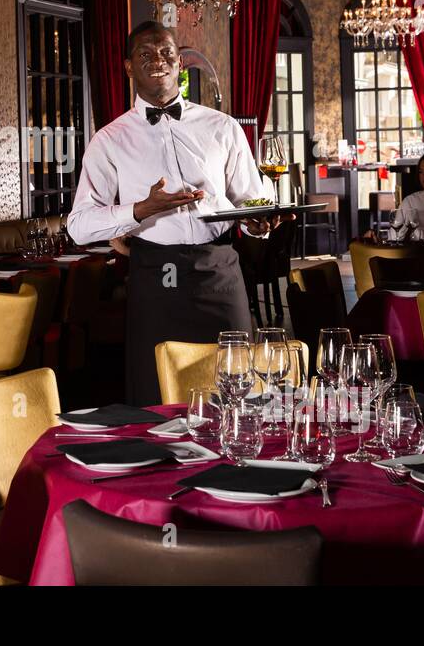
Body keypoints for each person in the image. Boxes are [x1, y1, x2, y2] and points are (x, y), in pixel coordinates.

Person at [67, 20, 273, 406]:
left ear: (180, 62)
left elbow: (251, 199)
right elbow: (79, 225)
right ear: (129, 67)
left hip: (220, 272)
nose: (157, 61)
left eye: (166, 53)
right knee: (157, 395)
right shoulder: (109, 140)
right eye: (144, 54)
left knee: (238, 388)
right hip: (155, 278)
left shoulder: (223, 127)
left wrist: (260, 220)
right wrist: (139, 210)